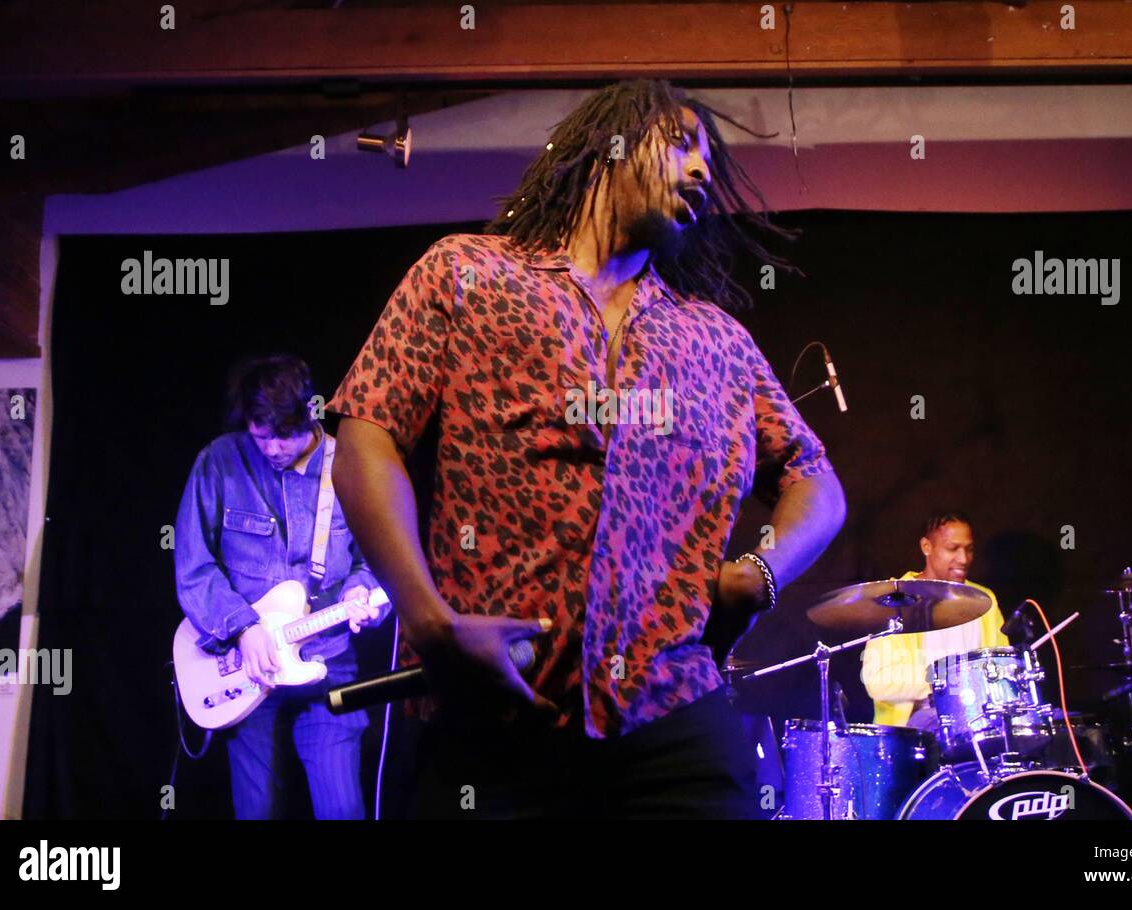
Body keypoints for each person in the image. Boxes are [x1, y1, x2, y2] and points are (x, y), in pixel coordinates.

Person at [329, 79, 846, 819]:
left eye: (710, 161)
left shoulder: (717, 340)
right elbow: (366, 433)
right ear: (605, 147)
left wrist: (760, 574)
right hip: (497, 714)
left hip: (671, 720)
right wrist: (426, 621)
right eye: (680, 146)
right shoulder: (466, 273)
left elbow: (816, 478)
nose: (703, 172)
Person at [174, 354, 387, 819]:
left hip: (328, 660)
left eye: (284, 435)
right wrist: (243, 626)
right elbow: (193, 565)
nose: (272, 448)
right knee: (256, 810)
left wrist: (361, 590)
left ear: (310, 415)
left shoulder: (349, 464)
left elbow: (375, 558)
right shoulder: (220, 461)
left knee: (343, 809)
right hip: (248, 668)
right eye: (260, 434)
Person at [860, 510, 1007, 728]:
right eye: (953, 549)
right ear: (926, 547)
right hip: (914, 735)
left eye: (969, 549)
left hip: (979, 722)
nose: (963, 559)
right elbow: (879, 682)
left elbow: (1002, 666)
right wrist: (948, 683)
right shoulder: (895, 600)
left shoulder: (984, 599)